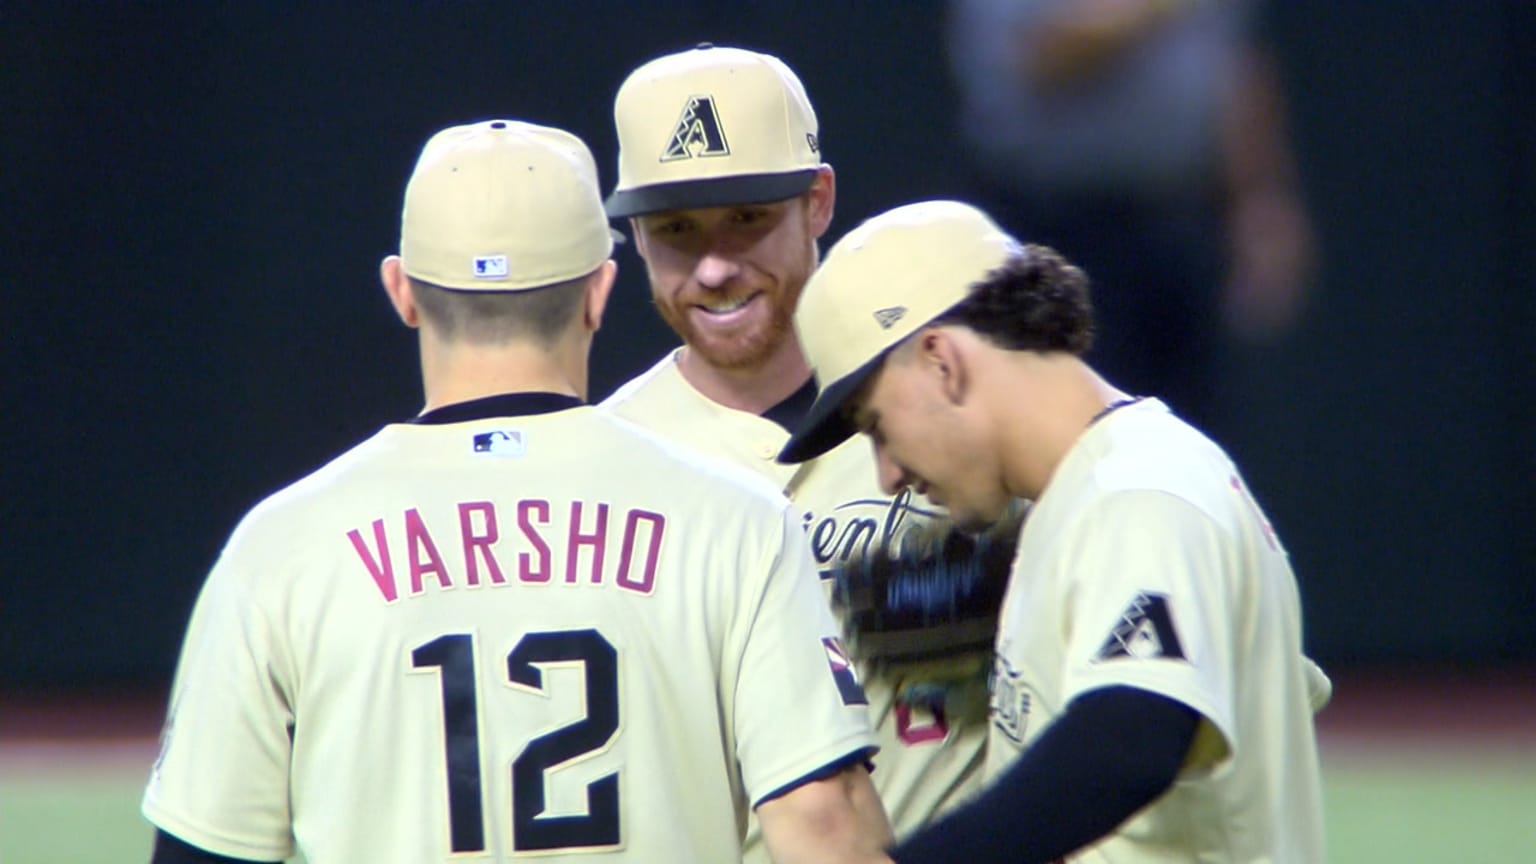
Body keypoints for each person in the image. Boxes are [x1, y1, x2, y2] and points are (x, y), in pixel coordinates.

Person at [140, 119, 894, 864]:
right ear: (600, 289)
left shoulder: (282, 547)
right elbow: (823, 829)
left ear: (402, 292)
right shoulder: (737, 519)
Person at [778, 200, 1325, 862]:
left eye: (877, 427)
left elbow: (1133, 738)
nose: (887, 473)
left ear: (942, 362)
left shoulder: (1141, 490)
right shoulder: (1081, 500)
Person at [598, 44, 990, 859]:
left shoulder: (957, 409)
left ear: (818, 202)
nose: (712, 266)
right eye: (674, 229)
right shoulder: (602, 461)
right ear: (633, 233)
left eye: (747, 217)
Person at [946, 0, 1316, 438]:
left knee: (1183, 436)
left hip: (1176, 219)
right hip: (1057, 226)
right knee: (1064, 434)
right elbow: (1039, 58)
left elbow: (1231, 59)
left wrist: (1260, 195)